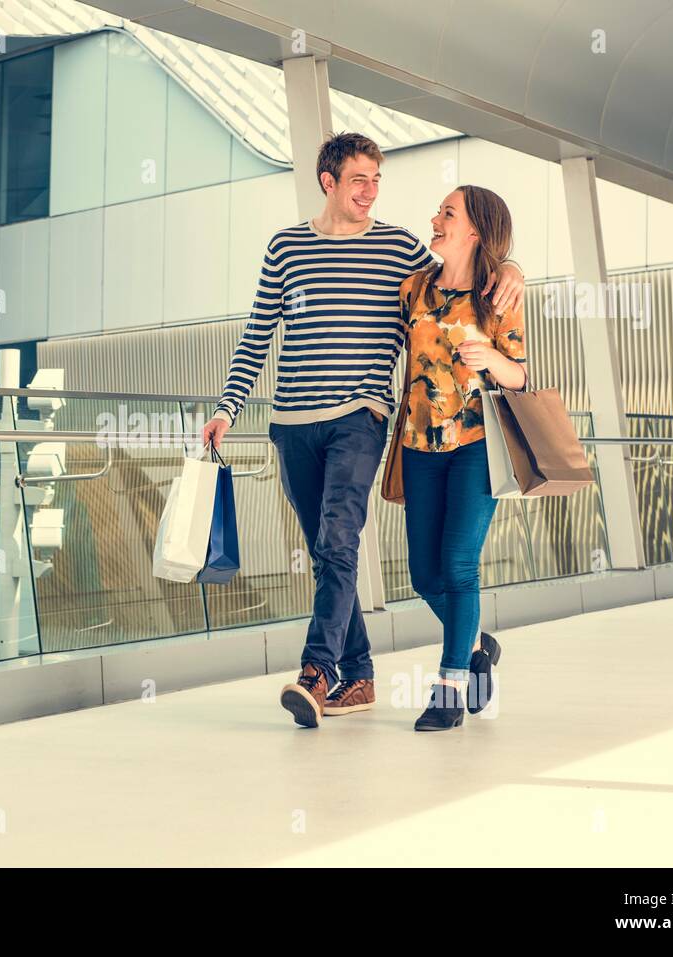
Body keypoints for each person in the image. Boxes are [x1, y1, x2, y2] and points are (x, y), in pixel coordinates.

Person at [201, 133, 524, 728]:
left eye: (377, 179)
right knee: (329, 553)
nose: (372, 191)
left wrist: (512, 267)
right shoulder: (287, 248)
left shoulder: (400, 249)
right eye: (359, 180)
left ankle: (317, 672)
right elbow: (257, 334)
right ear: (328, 182)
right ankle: (369, 672)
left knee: (343, 539)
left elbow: (467, 276)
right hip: (293, 423)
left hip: (365, 417)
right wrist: (228, 407)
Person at [399, 185, 527, 732]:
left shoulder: (498, 293)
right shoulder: (414, 288)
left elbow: (521, 376)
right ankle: (478, 646)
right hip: (418, 444)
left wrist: (492, 357)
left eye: (446, 213)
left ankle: (450, 688)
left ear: (474, 230)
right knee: (424, 573)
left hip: (475, 445)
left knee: (457, 566)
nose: (434, 218)